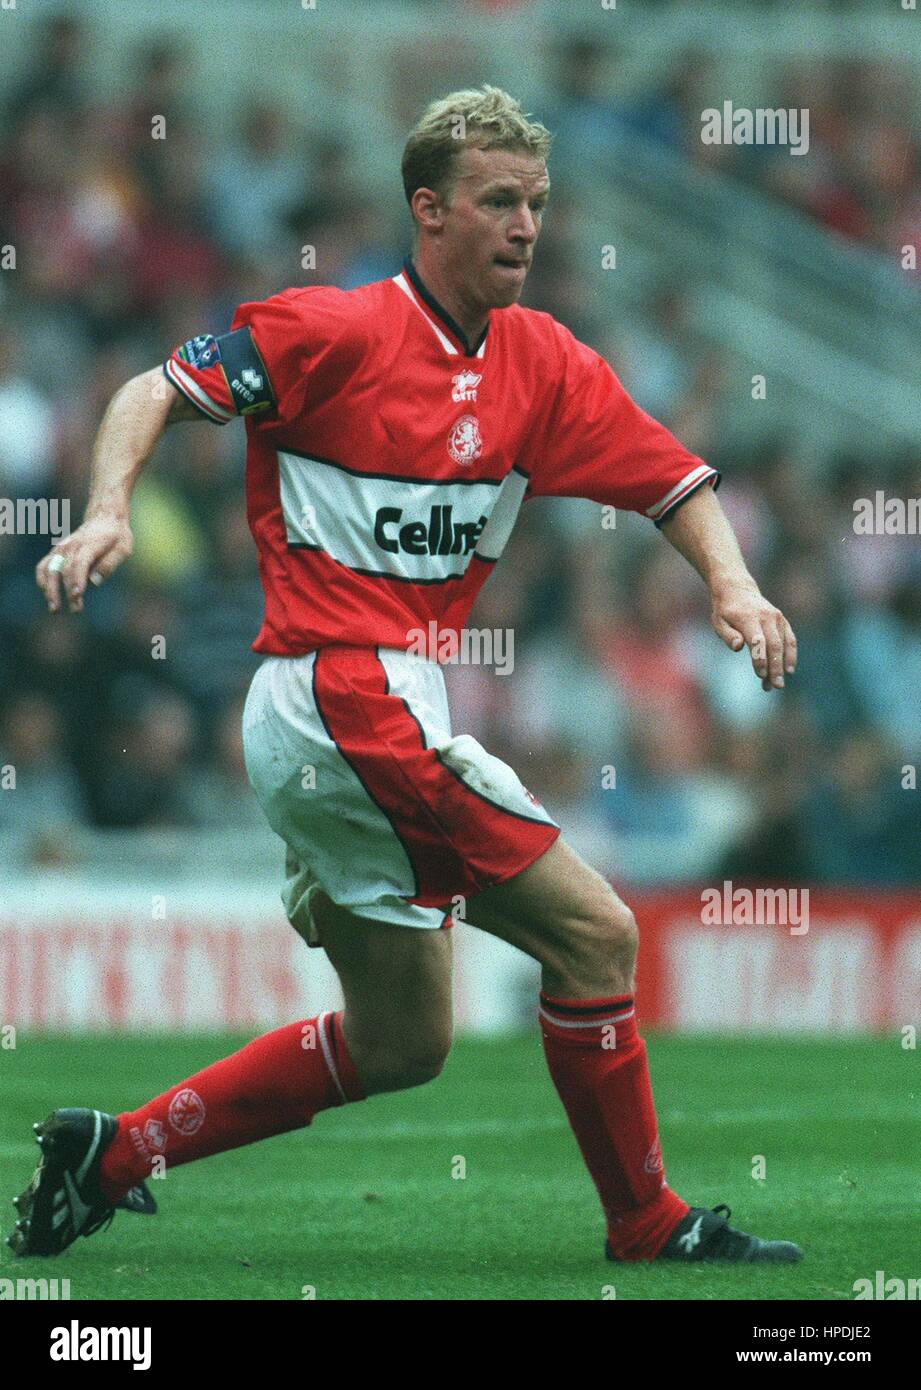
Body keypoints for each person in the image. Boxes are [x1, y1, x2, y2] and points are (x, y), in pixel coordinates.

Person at [10, 87, 800, 1267]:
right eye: (497, 201)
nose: (525, 225)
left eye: (535, 202)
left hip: (373, 710)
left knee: (403, 1044)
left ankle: (111, 1153)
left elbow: (674, 481)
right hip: (338, 697)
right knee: (596, 938)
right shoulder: (329, 332)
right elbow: (151, 392)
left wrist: (735, 590)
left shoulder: (544, 363)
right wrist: (108, 507)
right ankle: (648, 1222)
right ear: (428, 210)